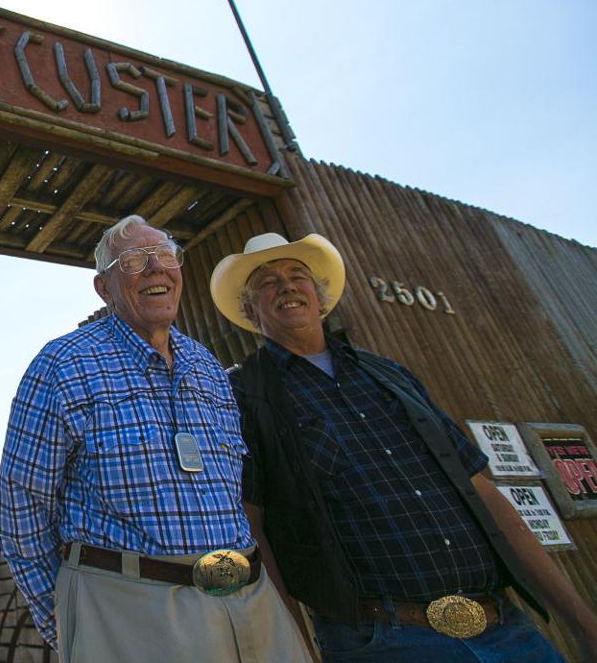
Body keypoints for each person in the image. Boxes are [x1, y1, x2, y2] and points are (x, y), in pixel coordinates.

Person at [210, 232, 597, 663]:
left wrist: (583, 623)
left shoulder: (391, 375)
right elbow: (251, 526)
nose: (285, 286)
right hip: (381, 642)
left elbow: (481, 491)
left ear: (319, 298)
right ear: (249, 309)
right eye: (267, 281)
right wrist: (296, 649)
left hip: (505, 628)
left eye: (296, 275)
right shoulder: (241, 393)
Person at [0, 215, 312, 663]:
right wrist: (71, 622)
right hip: (131, 614)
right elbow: (20, 512)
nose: (155, 268)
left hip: (251, 602)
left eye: (165, 256)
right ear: (104, 289)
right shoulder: (62, 364)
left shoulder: (206, 365)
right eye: (132, 260)